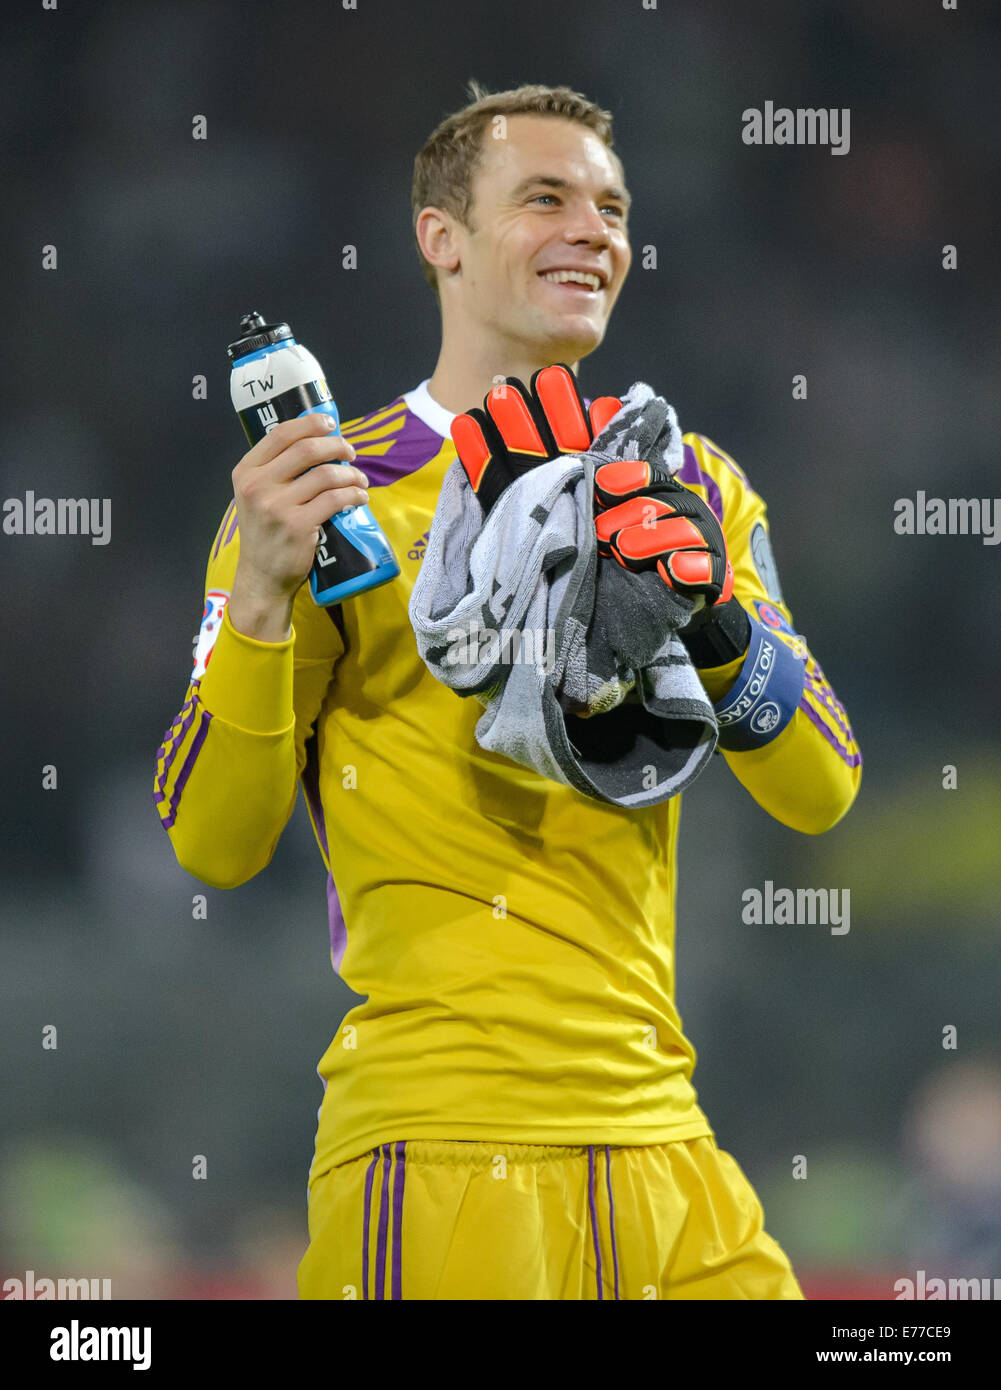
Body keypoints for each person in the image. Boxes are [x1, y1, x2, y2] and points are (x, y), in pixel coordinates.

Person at [154, 81, 861, 1300]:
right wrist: (264, 596)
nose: (592, 228)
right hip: (435, 1151)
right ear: (441, 239)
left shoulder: (687, 483)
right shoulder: (325, 499)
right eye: (544, 198)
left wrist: (715, 616)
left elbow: (820, 789)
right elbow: (215, 843)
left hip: (663, 1144)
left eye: (611, 207)